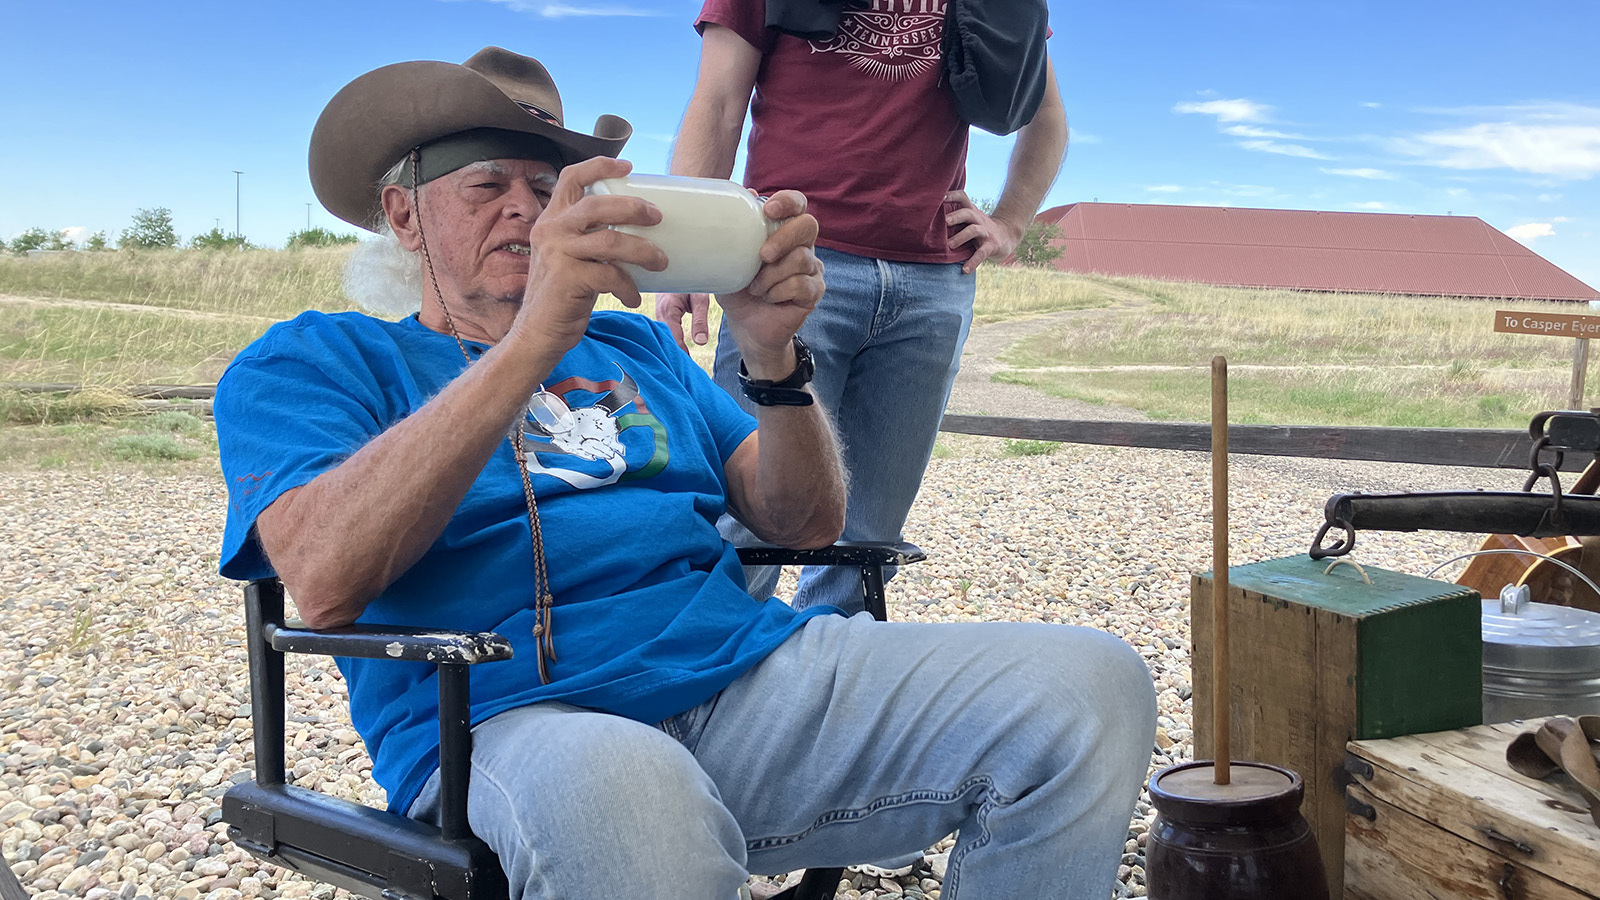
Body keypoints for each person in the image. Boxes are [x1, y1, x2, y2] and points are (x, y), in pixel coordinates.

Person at [214, 47, 1153, 900]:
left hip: (743, 675)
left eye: (549, 188)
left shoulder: (636, 349)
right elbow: (324, 579)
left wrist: (774, 359)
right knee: (631, 793)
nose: (525, 209)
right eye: (487, 185)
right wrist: (533, 338)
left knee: (1088, 689)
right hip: (514, 717)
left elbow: (804, 523)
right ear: (402, 213)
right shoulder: (317, 361)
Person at [657, 0, 1070, 612]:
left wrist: (1010, 222)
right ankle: (711, 685)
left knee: (870, 538)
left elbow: (1048, 116)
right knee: (745, 514)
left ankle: (828, 685)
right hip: (791, 264)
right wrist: (688, 249)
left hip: (933, 286)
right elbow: (718, 106)